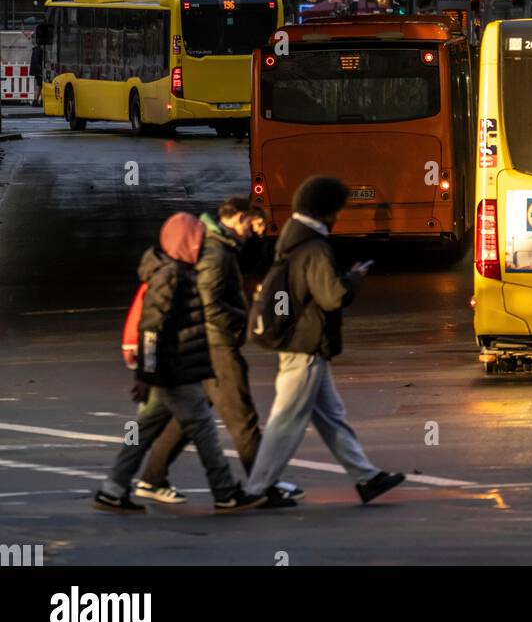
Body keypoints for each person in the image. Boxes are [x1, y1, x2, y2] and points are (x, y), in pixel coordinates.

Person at [246, 176, 406, 506]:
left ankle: (368, 478)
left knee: (331, 417)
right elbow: (333, 297)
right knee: (285, 421)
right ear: (327, 210)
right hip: (305, 346)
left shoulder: (292, 240)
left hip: (303, 344)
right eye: (338, 209)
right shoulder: (315, 248)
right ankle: (257, 489)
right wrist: (353, 278)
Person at [93, 212, 264, 514]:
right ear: (186, 240)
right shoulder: (171, 275)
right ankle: (225, 493)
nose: (202, 242)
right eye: (198, 237)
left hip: (172, 369)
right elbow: (152, 328)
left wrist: (148, 375)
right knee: (205, 432)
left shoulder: (179, 270)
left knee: (146, 430)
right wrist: (145, 376)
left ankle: (113, 489)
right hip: (174, 370)